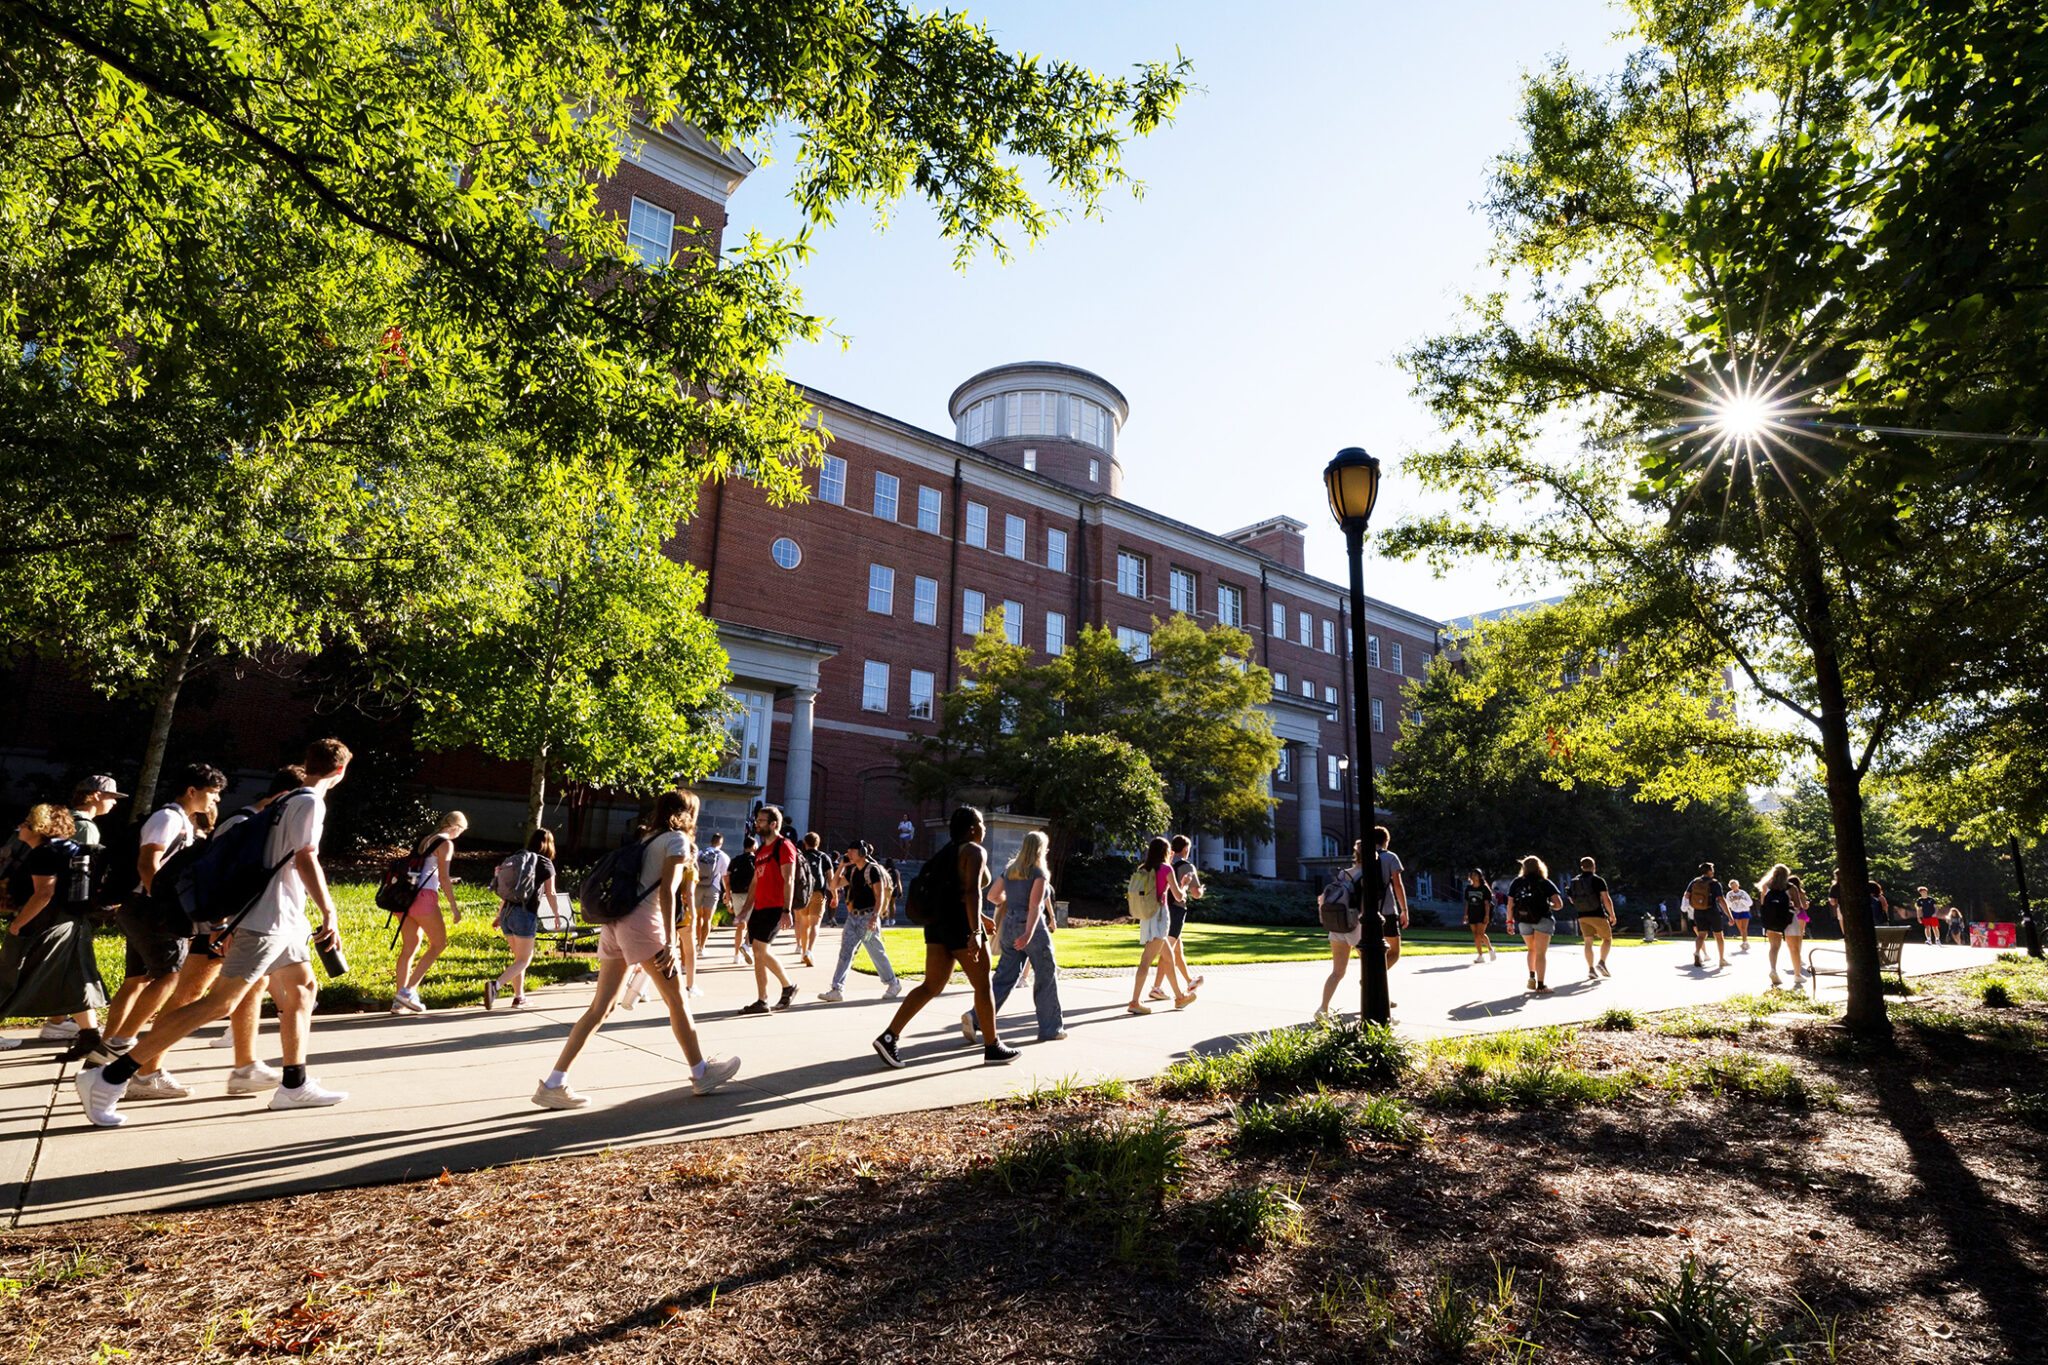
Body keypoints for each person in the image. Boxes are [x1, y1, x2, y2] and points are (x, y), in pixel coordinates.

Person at [76, 738, 355, 1125]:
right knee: (220, 1003)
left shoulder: (284, 802)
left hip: (285, 919)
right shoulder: (309, 802)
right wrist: (330, 910)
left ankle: (294, 1084)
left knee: (304, 990)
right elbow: (306, 856)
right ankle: (108, 1077)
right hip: (268, 920)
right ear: (340, 772)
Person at [532, 790, 740, 1108]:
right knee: (677, 1001)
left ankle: (554, 1082)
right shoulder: (676, 841)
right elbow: (669, 893)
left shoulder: (647, 838)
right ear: (689, 815)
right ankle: (701, 1073)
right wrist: (670, 942)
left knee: (601, 1007)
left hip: (615, 923)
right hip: (644, 926)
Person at [186, 766, 307, 1085]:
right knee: (193, 995)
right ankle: (136, 1065)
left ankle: (245, 1065)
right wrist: (218, 923)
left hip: (240, 921)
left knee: (253, 987)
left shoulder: (265, 822)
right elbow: (219, 874)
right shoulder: (242, 822)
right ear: (285, 795)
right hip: (222, 923)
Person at [99, 762, 227, 1061]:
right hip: (151, 908)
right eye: (212, 792)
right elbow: (148, 863)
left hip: (138, 907)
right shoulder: (168, 818)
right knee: (171, 975)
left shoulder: (180, 819)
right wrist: (165, 904)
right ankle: (122, 1041)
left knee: (136, 980)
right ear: (192, 790)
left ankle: (106, 1047)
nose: (216, 799)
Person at [872, 805, 1017, 1067]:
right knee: (983, 985)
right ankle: (993, 1046)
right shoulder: (974, 851)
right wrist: (975, 931)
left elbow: (955, 894)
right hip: (961, 926)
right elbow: (972, 892)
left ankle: (889, 1037)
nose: (984, 828)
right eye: (982, 823)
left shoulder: (945, 853)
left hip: (938, 925)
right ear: (973, 828)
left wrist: (980, 918)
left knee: (931, 985)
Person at [0, 806, 107, 1050]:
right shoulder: (67, 849)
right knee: (72, 975)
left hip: (44, 923)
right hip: (70, 922)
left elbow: (44, 893)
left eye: (28, 822)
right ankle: (90, 1035)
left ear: (41, 827)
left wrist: (17, 924)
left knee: (10, 972)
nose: (21, 826)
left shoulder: (42, 854)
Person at [962, 829, 1063, 1042]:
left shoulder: (1010, 871)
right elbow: (1035, 907)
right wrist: (1028, 933)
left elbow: (992, 895)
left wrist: (1009, 900)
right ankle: (1051, 1029)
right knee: (1046, 975)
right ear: (1041, 849)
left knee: (1004, 977)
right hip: (1031, 928)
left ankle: (976, 1016)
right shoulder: (1039, 873)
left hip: (1008, 925)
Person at [391, 811, 466, 1014]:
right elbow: (442, 877)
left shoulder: (427, 839)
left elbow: (424, 868)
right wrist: (454, 906)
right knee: (439, 944)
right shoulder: (446, 844)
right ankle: (408, 991)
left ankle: (399, 1000)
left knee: (410, 947)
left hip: (405, 897)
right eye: (461, 830)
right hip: (424, 899)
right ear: (456, 827)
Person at [737, 806, 800, 1015]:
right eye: (757, 820)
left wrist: (786, 909)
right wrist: (745, 910)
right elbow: (755, 881)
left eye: (762, 821)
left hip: (775, 907)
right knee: (758, 952)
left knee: (761, 950)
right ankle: (762, 999)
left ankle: (788, 986)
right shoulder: (762, 851)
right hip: (760, 908)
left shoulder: (784, 846)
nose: (757, 824)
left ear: (774, 824)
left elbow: (789, 879)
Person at [485, 828, 557, 1011]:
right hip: (525, 914)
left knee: (518, 959)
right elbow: (551, 893)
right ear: (549, 844)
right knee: (524, 959)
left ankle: (519, 997)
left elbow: (508, 892)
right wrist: (556, 915)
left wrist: (497, 916)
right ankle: (495, 986)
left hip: (507, 914)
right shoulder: (546, 863)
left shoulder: (519, 859)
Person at [820, 842, 902, 1002]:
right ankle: (837, 989)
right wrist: (841, 866)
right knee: (845, 952)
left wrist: (874, 917)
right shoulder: (851, 871)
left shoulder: (873, 870)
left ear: (862, 852)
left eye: (852, 851)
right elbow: (833, 885)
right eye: (848, 851)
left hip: (868, 918)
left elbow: (880, 896)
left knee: (876, 951)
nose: (849, 853)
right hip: (853, 918)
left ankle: (893, 983)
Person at [1124, 837, 1188, 1016]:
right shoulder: (1166, 868)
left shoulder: (1143, 869)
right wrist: (1185, 884)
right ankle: (1135, 1001)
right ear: (1166, 852)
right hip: (1160, 916)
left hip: (1147, 916)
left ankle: (1180, 996)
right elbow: (1179, 896)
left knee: (1168, 957)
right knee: (1147, 959)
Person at [1317, 840, 1371, 1019]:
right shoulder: (1368, 874)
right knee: (1372, 968)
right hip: (1356, 925)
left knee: (1337, 971)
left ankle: (1323, 1008)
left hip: (1337, 925)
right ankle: (1376, 1006)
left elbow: (1323, 899)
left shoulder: (1343, 874)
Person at [1146, 834, 1202, 1002]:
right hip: (1176, 911)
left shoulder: (1166, 863)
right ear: (1186, 849)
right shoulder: (1187, 866)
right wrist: (1199, 888)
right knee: (1167, 950)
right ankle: (1157, 987)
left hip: (1162, 908)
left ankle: (1189, 981)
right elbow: (1196, 893)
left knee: (1177, 949)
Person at [1508, 855, 1563, 994]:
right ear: (1540, 867)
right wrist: (1548, 905)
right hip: (1543, 920)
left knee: (1531, 950)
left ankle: (1531, 977)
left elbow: (1510, 904)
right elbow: (1559, 904)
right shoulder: (1545, 882)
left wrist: (1510, 921)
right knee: (1540, 953)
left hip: (1523, 920)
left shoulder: (1516, 883)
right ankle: (1541, 985)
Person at [1757, 864, 1805, 989]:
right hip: (1788, 919)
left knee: (1774, 947)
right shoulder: (1791, 887)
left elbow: (1763, 904)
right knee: (1794, 948)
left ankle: (1773, 970)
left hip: (1771, 920)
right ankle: (1797, 974)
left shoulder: (1765, 886)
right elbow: (1798, 906)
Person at [1370, 826, 1409, 973]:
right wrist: (1404, 909)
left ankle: (1372, 980)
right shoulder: (1391, 857)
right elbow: (1398, 885)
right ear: (1386, 840)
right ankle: (1373, 978)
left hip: (1365, 911)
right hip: (1387, 910)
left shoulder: (1363, 857)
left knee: (1371, 951)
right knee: (1393, 952)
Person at [1570, 857, 1616, 978]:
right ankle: (1601, 962)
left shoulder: (1574, 881)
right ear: (1593, 866)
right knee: (1607, 939)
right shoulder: (1598, 880)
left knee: (1588, 943)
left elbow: (1572, 899)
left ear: (1582, 867)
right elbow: (1606, 899)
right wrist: (1612, 915)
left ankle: (1591, 969)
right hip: (1597, 915)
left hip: (1582, 916)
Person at [693, 831, 730, 974]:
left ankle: (697, 943)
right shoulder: (723, 856)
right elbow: (725, 877)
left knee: (698, 917)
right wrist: (727, 892)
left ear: (711, 841)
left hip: (698, 887)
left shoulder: (701, 853)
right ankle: (702, 947)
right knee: (708, 919)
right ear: (721, 843)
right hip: (713, 888)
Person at [795, 831, 833, 968]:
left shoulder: (800, 856)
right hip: (818, 893)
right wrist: (833, 895)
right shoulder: (824, 857)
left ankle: (803, 951)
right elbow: (831, 879)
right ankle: (810, 951)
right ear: (818, 843)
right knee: (815, 924)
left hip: (803, 894)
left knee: (804, 924)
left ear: (805, 843)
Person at [1684, 863, 1729, 969]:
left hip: (1698, 911)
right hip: (1712, 910)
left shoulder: (1695, 881)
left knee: (1701, 935)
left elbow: (1686, 895)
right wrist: (1729, 915)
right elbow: (1721, 900)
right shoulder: (1714, 883)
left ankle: (1697, 952)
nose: (1713, 871)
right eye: (1712, 869)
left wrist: (1695, 903)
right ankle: (1721, 959)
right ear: (1709, 871)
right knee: (1719, 935)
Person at [727, 832, 758, 966]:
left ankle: (736, 956)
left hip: (736, 894)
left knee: (740, 925)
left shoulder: (735, 860)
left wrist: (728, 896)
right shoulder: (756, 860)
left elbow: (726, 878)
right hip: (750, 894)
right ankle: (746, 945)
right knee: (752, 923)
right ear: (753, 846)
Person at [1462, 868, 1496, 961]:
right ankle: (1480, 956)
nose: (1473, 877)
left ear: (1479, 876)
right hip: (1472, 913)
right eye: (1472, 875)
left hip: (1482, 913)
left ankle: (1490, 949)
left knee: (1480, 934)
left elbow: (1487, 903)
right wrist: (1465, 915)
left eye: (1475, 875)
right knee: (1476, 935)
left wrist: (1487, 915)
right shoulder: (1468, 888)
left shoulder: (1484, 888)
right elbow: (1467, 903)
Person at [1725, 877, 1754, 949]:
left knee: (1744, 928)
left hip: (1744, 911)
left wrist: (1741, 899)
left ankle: (1744, 943)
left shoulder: (1743, 893)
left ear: (1737, 885)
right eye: (1732, 886)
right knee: (1740, 928)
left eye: (1734, 885)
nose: (1733, 887)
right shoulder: (1729, 894)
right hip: (1735, 912)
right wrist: (1731, 901)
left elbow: (1750, 903)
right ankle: (1745, 942)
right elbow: (1727, 904)